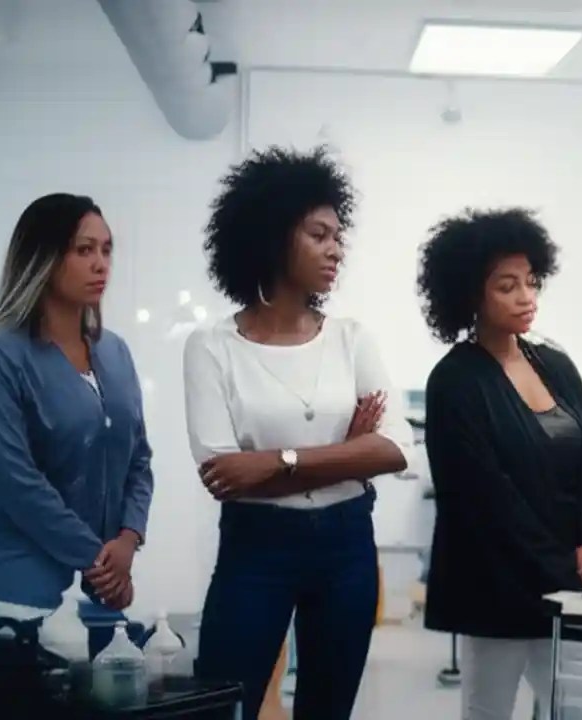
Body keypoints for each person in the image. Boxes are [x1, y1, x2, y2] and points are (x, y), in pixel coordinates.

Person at [183, 146, 412, 720]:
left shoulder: (351, 338)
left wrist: (275, 462)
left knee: (327, 711)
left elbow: (396, 448)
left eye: (339, 235)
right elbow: (225, 475)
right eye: (319, 234)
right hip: (254, 549)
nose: (336, 248)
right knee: (221, 705)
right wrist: (347, 455)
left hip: (346, 546)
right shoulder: (212, 347)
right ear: (273, 235)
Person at [0, 193, 154, 717]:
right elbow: (15, 480)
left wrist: (129, 541)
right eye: (82, 249)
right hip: (16, 593)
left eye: (107, 249)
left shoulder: (114, 352)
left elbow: (139, 459)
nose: (101, 263)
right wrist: (98, 559)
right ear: (42, 258)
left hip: (95, 594)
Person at [417, 207, 582, 720]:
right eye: (507, 286)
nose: (526, 296)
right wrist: (559, 567)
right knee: (489, 709)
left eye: (531, 282)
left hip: (569, 582)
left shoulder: (555, 364)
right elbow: (483, 498)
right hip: (498, 584)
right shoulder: (455, 382)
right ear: (471, 294)